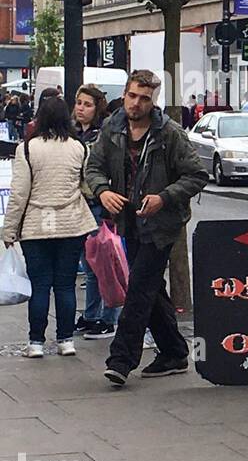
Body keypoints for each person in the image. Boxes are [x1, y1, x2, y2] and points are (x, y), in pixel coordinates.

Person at [86, 69, 208, 387]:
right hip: (129, 222)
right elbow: (94, 167)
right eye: (132, 96)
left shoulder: (169, 133)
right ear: (125, 94)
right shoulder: (112, 128)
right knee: (151, 289)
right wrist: (103, 190)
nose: (136, 103)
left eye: (144, 98)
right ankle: (174, 352)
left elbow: (196, 174)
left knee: (139, 288)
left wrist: (164, 198)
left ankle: (121, 360)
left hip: (161, 225)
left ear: (153, 101)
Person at [2, 96, 96, 358]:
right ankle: (66, 340)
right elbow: (86, 187)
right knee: (65, 286)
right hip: (71, 225)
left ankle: (36, 343)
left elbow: (20, 194)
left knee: (40, 286)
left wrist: (9, 230)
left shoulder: (28, 149)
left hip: (36, 225)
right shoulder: (79, 147)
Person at [71, 84, 121, 339]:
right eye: (79, 103)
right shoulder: (74, 134)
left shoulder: (103, 136)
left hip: (98, 203)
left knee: (104, 264)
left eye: (87, 104)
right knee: (89, 264)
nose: (80, 108)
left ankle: (108, 318)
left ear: (97, 108)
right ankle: (91, 315)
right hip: (79, 203)